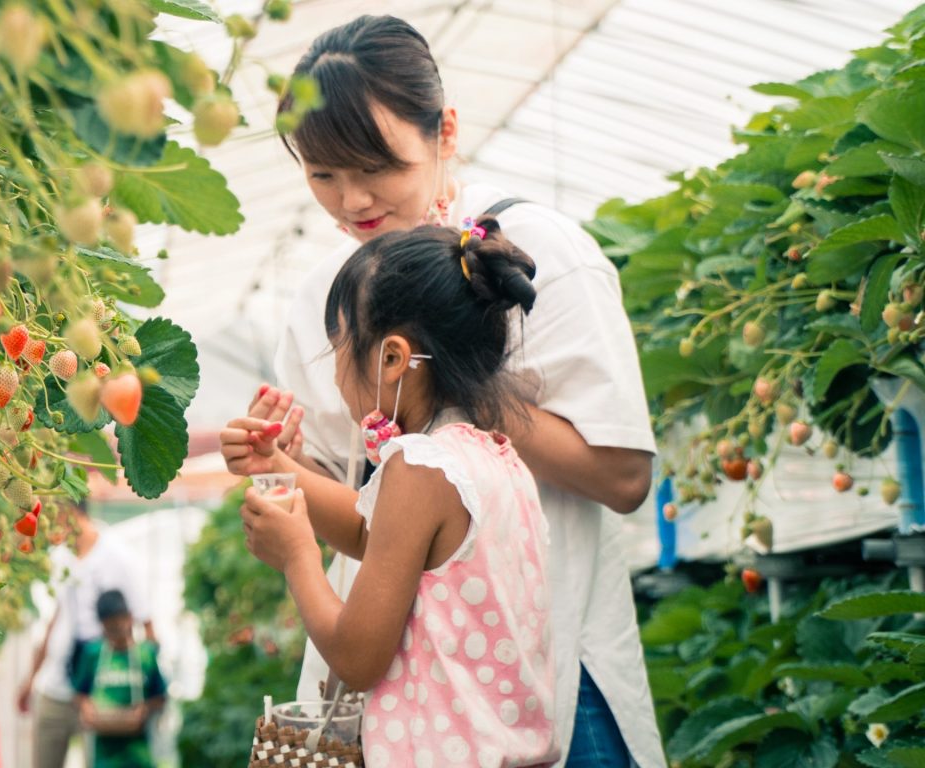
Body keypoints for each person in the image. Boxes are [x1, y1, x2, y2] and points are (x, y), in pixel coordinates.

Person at [245, 15, 663, 768]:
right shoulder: (324, 301)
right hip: (401, 704)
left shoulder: (538, 257)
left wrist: (455, 378)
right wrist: (278, 465)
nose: (352, 200)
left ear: (446, 134)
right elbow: (367, 517)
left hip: (545, 668)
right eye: (323, 174)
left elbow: (626, 477)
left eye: (377, 164)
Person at [230, 220, 558, 766]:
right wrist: (277, 463)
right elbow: (372, 533)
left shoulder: (419, 466)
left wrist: (297, 556)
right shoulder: (495, 459)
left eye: (339, 349)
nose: (336, 375)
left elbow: (358, 657)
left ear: (392, 358)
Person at [18, 501, 155, 768]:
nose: (49, 528)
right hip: (58, 681)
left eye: (53, 517)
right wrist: (31, 679)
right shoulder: (60, 557)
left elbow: (147, 625)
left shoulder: (119, 557)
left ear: (72, 513)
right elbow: (54, 621)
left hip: (103, 686)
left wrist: (147, 694)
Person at [71, 589, 167, 768]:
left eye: (118, 623)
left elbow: (160, 696)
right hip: (103, 756)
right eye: (109, 627)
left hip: (138, 755)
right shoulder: (93, 653)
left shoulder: (145, 654)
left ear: (129, 617)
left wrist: (145, 709)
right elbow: (79, 693)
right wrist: (86, 708)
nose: (115, 631)